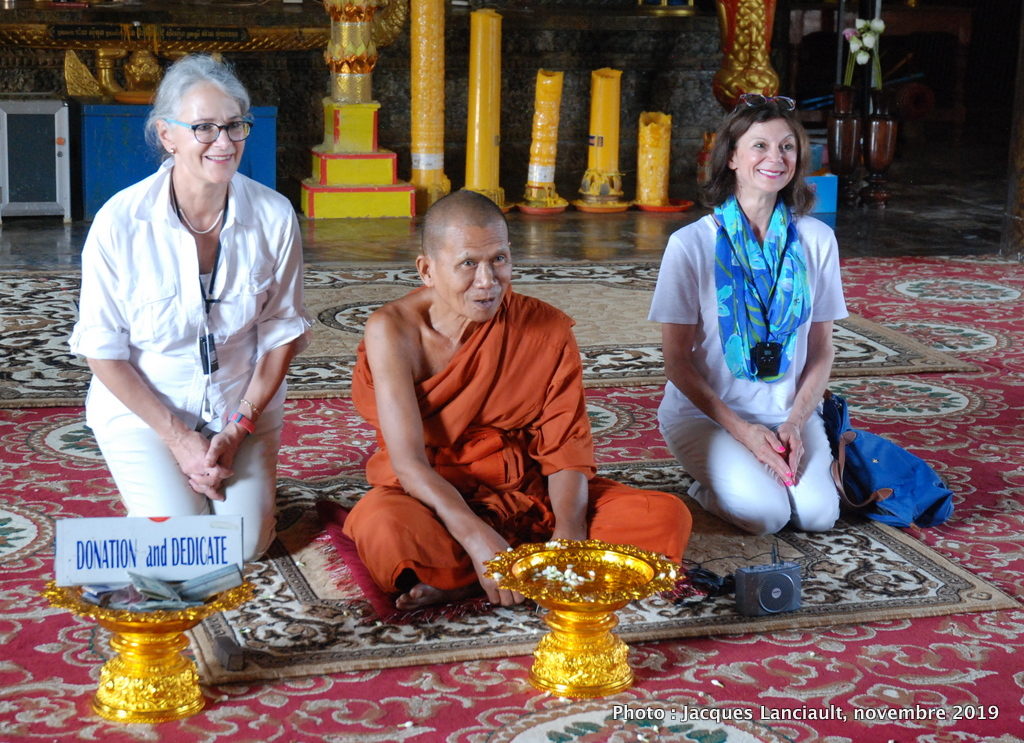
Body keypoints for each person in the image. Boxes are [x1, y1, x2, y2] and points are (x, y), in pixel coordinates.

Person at [341, 190, 692, 610]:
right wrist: (475, 534)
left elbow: (565, 450)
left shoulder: (543, 328)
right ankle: (507, 567)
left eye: (499, 260)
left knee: (664, 515)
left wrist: (568, 533)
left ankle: (473, 580)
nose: (488, 281)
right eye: (468, 263)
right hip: (433, 494)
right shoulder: (393, 331)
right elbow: (409, 463)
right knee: (383, 526)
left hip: (528, 492)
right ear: (427, 270)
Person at [69, 55, 311, 560]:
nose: (223, 143)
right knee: (179, 549)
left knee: (241, 548)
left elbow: (282, 330)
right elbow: (103, 351)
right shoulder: (120, 223)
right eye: (203, 128)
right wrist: (178, 439)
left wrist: (240, 425)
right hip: (148, 413)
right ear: (167, 135)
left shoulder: (274, 214)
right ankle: (174, 490)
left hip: (240, 404)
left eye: (234, 127)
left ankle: (228, 491)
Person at [648, 93, 848, 535]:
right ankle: (705, 487)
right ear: (732, 157)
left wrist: (795, 423)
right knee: (767, 516)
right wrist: (743, 432)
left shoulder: (816, 240)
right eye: (759, 145)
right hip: (708, 416)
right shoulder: (690, 244)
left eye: (787, 146)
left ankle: (767, 467)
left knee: (818, 516)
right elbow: (676, 360)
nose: (775, 157)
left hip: (788, 412)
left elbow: (822, 350)